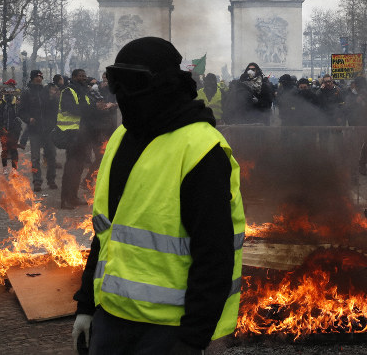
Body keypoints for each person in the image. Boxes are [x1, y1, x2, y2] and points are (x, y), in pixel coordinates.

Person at [72, 37, 244, 355]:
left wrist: (193, 339)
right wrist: (86, 303)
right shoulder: (120, 137)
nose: (121, 95)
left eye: (131, 84)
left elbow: (214, 255)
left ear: (163, 84)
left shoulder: (202, 149)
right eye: (116, 84)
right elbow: (105, 232)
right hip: (110, 318)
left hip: (170, 330)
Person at [57, 68, 95, 209]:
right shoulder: (68, 91)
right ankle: (65, 199)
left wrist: (98, 107)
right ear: (73, 77)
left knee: (78, 168)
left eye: (84, 76)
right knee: (71, 168)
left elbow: (88, 109)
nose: (83, 78)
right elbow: (72, 109)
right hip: (70, 135)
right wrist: (91, 108)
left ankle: (73, 196)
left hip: (81, 135)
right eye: (80, 76)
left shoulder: (83, 91)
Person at [18, 69, 58, 192]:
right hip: (34, 130)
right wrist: (28, 119)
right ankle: (37, 182)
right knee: (35, 158)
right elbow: (20, 110)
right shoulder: (26, 92)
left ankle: (51, 180)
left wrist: (55, 98)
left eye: (41, 76)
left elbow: (54, 108)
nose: (39, 78)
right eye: (36, 76)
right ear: (32, 78)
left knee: (51, 155)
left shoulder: (46, 91)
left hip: (48, 129)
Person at [0, 79, 22, 175]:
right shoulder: (0, 101)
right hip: (2, 129)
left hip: (14, 129)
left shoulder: (17, 101)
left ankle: (14, 169)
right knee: (4, 148)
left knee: (13, 148)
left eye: (10, 88)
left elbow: (21, 114)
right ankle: (5, 167)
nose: (8, 91)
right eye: (7, 88)